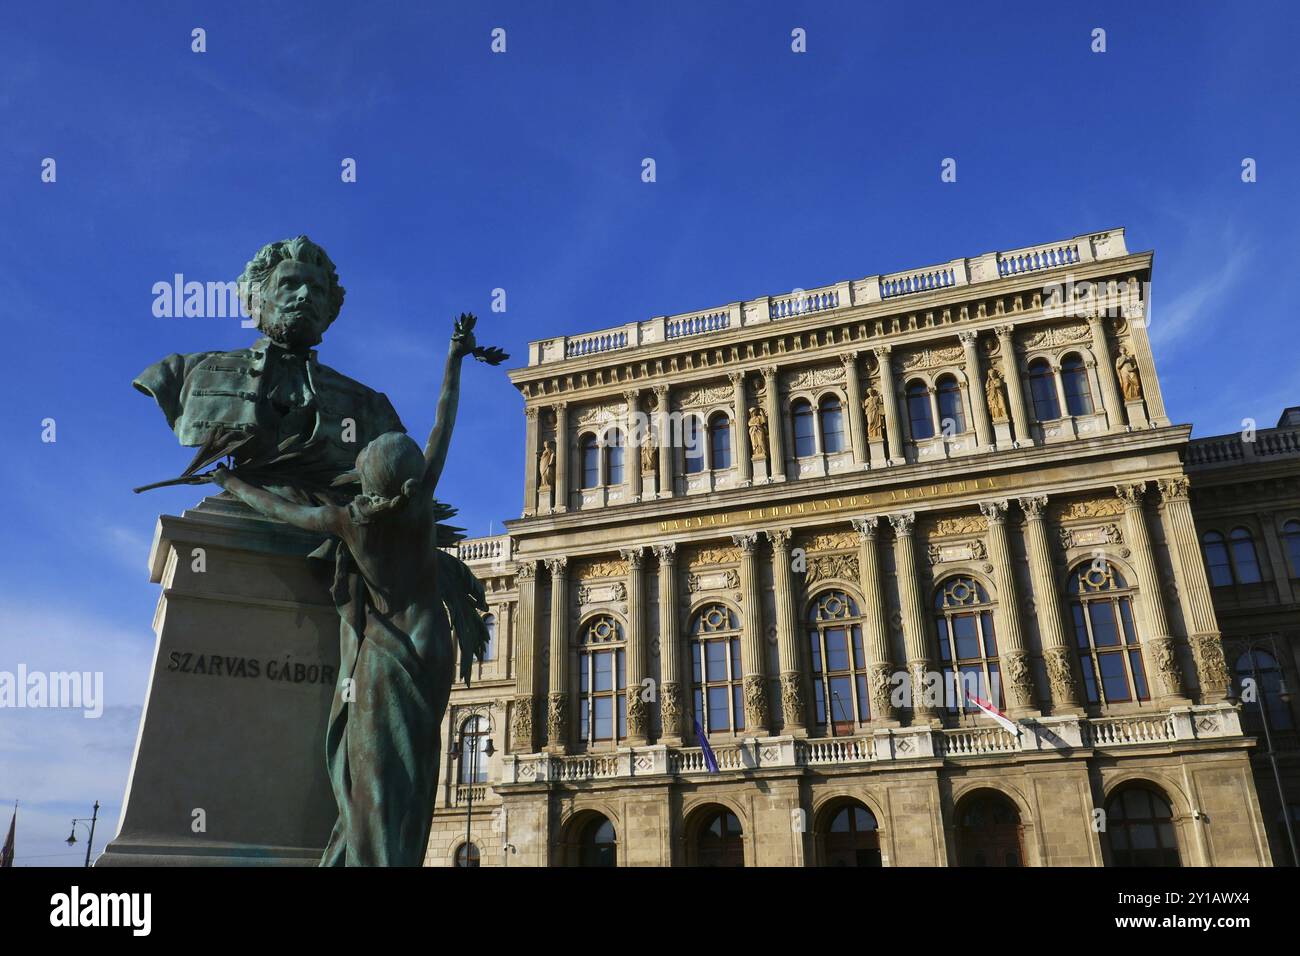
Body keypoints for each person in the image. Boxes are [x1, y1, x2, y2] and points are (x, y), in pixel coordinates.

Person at [207, 314, 504, 866]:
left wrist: (230, 482)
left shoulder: (349, 522)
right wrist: (454, 358)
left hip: (387, 650)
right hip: (432, 645)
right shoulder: (417, 508)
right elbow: (443, 424)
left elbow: (281, 509)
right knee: (416, 764)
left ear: (368, 476)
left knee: (376, 775)